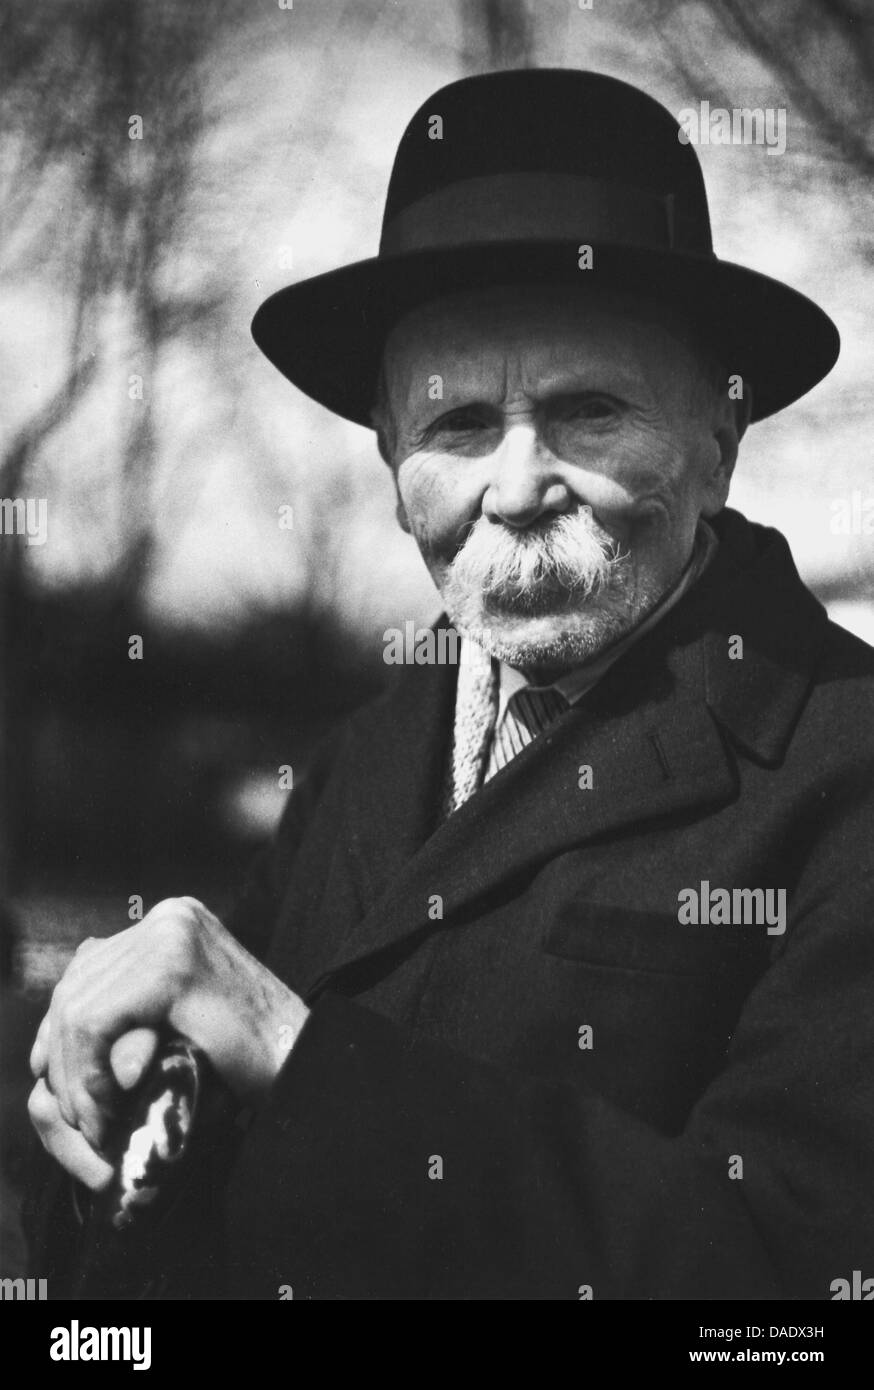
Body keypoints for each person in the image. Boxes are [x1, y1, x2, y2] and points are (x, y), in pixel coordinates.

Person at [26, 69, 874, 1300]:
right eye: (459, 424)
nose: (517, 485)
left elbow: (780, 1297)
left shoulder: (846, 774)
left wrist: (292, 1057)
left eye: (588, 412)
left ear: (716, 442)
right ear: (387, 455)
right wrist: (126, 1123)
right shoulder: (366, 754)